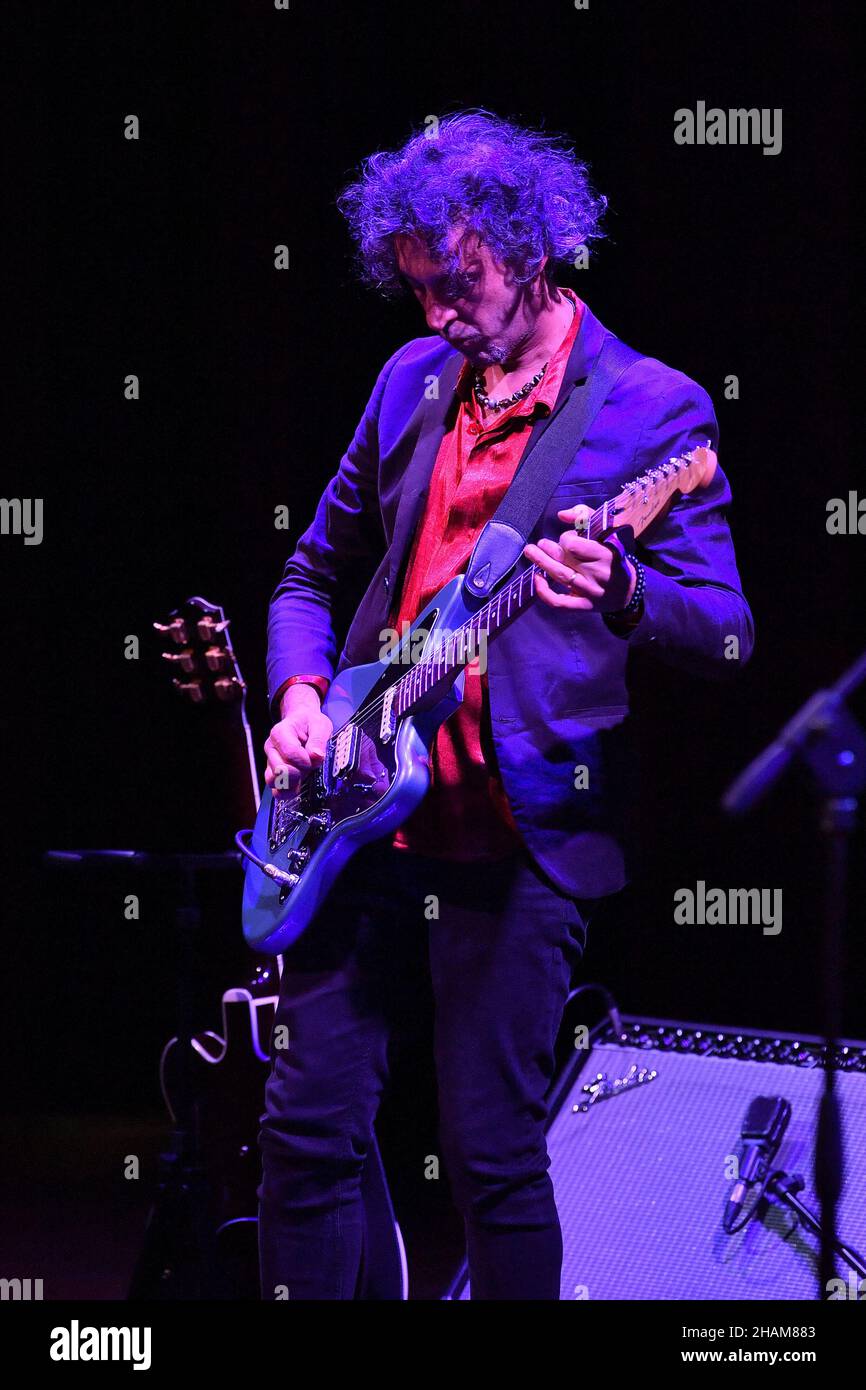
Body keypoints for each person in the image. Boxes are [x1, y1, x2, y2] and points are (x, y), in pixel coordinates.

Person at [257, 111, 754, 1300]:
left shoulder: (648, 407)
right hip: (359, 819)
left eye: (457, 283)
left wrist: (624, 592)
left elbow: (727, 629)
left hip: (519, 838)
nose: (436, 313)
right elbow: (311, 572)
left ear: (529, 246)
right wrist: (301, 695)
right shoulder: (409, 381)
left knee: (491, 1160)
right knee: (304, 1136)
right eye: (417, 287)